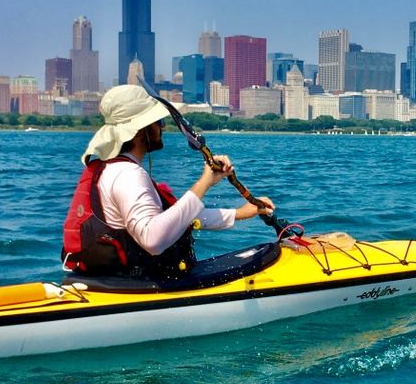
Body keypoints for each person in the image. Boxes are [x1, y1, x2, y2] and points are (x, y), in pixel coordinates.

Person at [62, 84, 274, 279]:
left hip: (112, 279)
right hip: (136, 285)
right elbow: (153, 240)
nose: (162, 128)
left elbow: (173, 219)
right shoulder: (128, 175)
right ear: (139, 131)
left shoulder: (110, 168)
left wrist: (241, 212)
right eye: (158, 122)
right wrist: (204, 183)